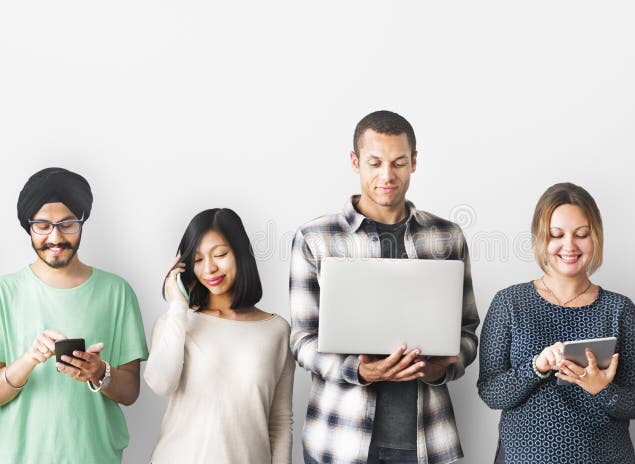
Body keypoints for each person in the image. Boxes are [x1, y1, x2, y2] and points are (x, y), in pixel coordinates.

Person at [290, 110, 480, 463]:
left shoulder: (447, 237)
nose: (387, 176)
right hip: (339, 441)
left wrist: (442, 369)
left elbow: (467, 330)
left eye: (399, 163)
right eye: (375, 163)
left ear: (415, 162)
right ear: (355, 161)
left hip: (425, 441)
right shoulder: (315, 239)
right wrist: (360, 371)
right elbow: (302, 340)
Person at [477, 182, 635, 464]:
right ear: (540, 239)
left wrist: (601, 389)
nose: (569, 246)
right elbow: (491, 392)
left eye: (581, 234)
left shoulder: (620, 310)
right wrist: (537, 367)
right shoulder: (510, 303)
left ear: (596, 238)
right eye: (556, 235)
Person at [0, 167, 149, 463]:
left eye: (67, 224)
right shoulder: (5, 293)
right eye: (42, 225)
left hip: (95, 456)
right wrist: (29, 360)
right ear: (29, 226)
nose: (55, 237)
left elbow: (130, 391)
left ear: (82, 222)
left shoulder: (117, 292)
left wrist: (99, 373)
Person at [145, 208, 294, 464]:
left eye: (220, 254)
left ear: (240, 254)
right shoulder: (175, 322)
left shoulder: (276, 330)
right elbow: (161, 384)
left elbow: (279, 422)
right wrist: (179, 305)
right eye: (198, 259)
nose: (209, 268)